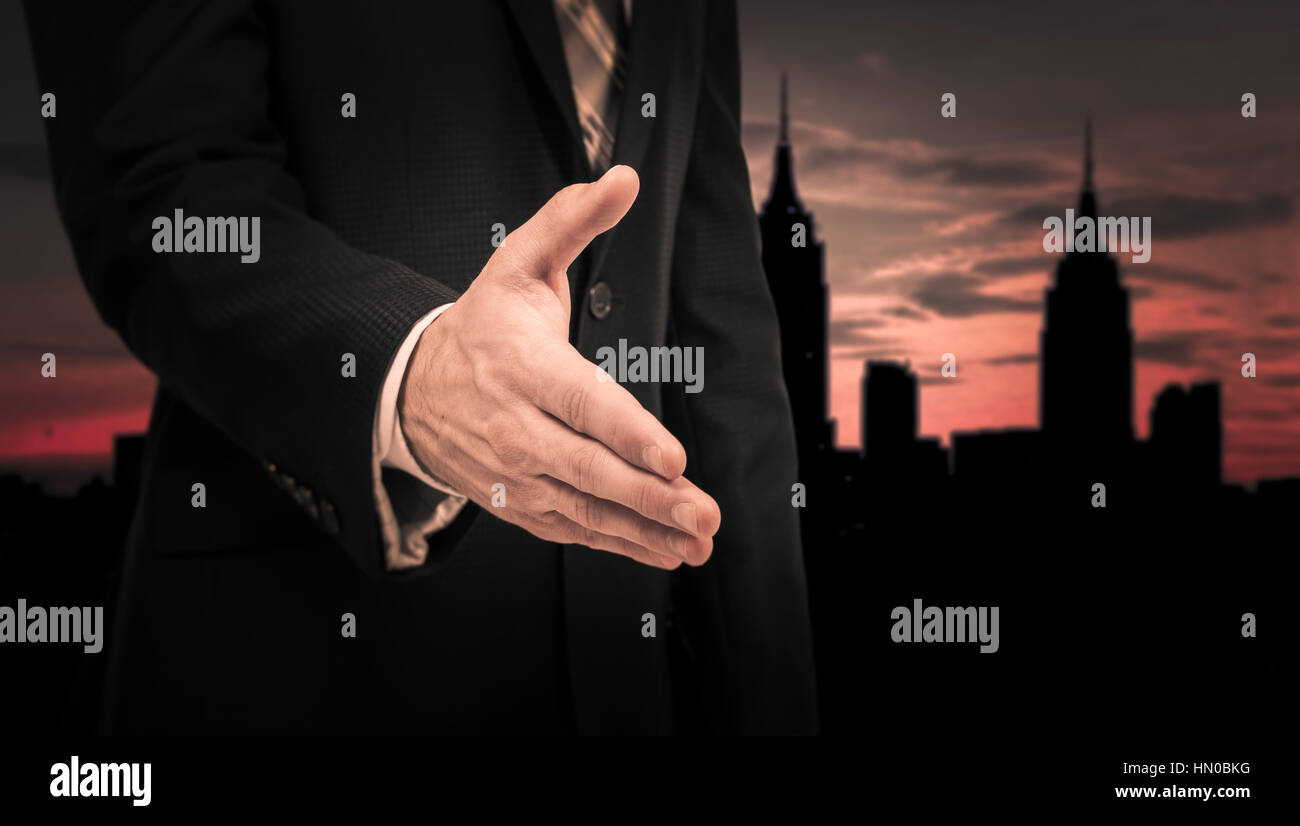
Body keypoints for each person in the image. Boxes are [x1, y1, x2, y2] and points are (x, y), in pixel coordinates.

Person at [26, 0, 817, 734]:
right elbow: (157, 182)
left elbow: (719, 320)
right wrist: (407, 367)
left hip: (627, 681)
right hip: (305, 673)